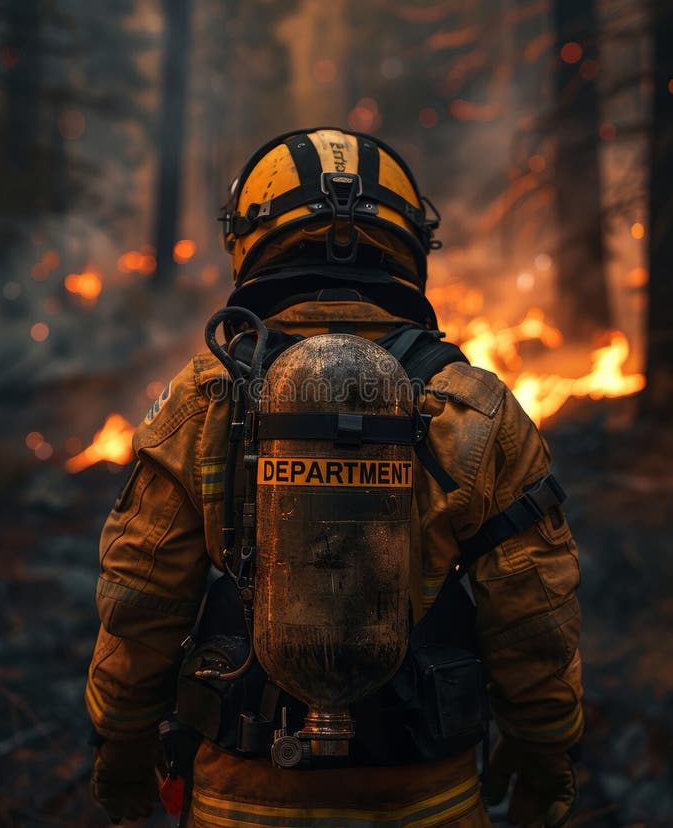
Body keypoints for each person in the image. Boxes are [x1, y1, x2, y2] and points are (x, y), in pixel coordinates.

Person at [87, 128, 583, 827]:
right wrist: (545, 753)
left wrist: (122, 743)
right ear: (408, 240)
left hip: (241, 800)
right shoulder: (472, 403)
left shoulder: (204, 398)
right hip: (425, 801)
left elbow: (141, 600)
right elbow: (534, 613)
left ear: (252, 238)